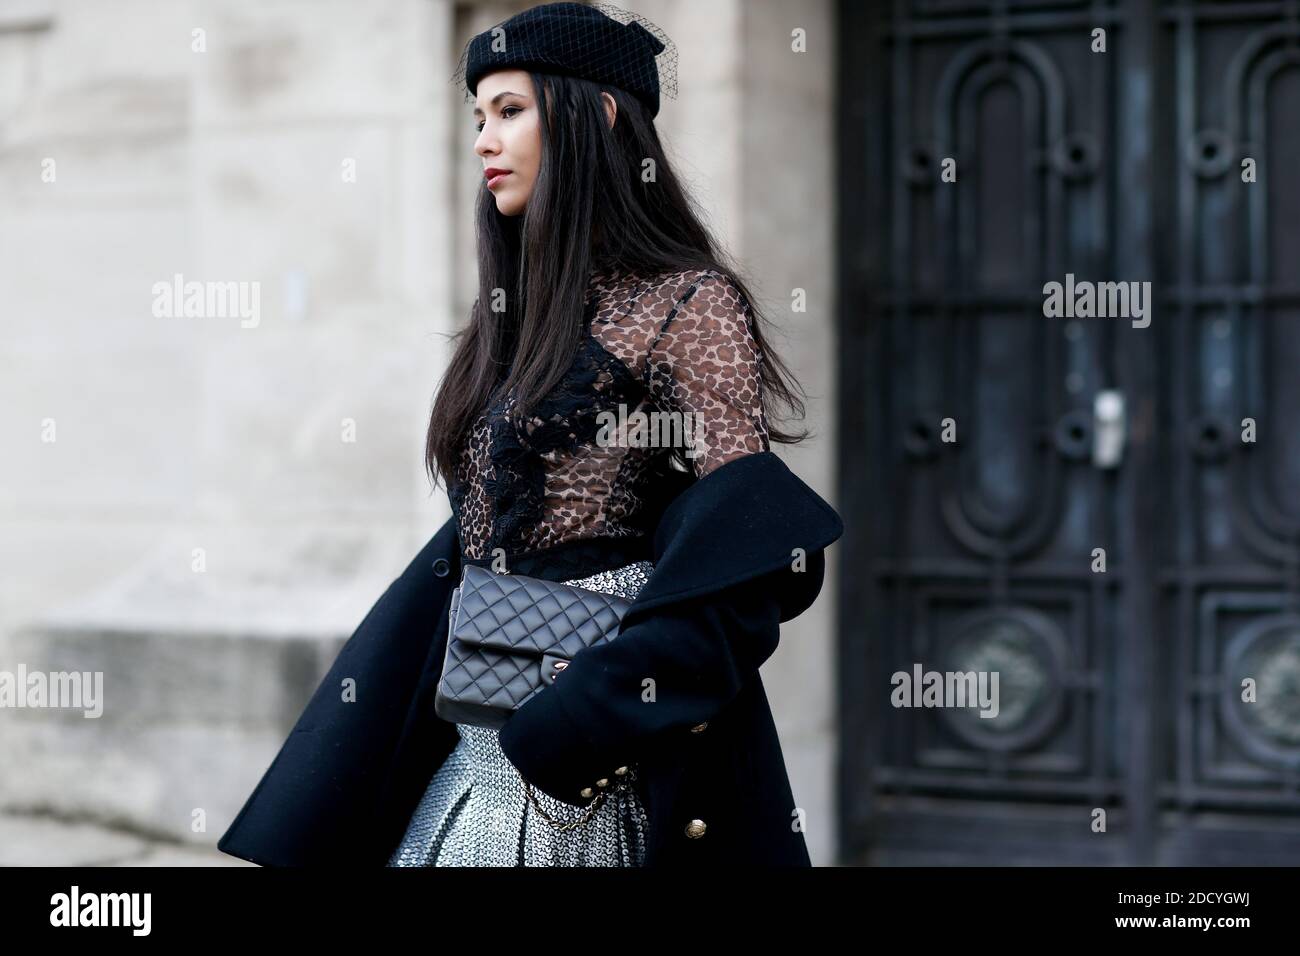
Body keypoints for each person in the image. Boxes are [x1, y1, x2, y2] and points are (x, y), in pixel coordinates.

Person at [218, 1, 843, 869]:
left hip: (588, 774)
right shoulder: (515, 317)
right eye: (477, 117)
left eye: (510, 111)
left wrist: (579, 725)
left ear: (602, 115)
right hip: (467, 746)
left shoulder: (686, 305)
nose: (483, 138)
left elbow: (751, 561)